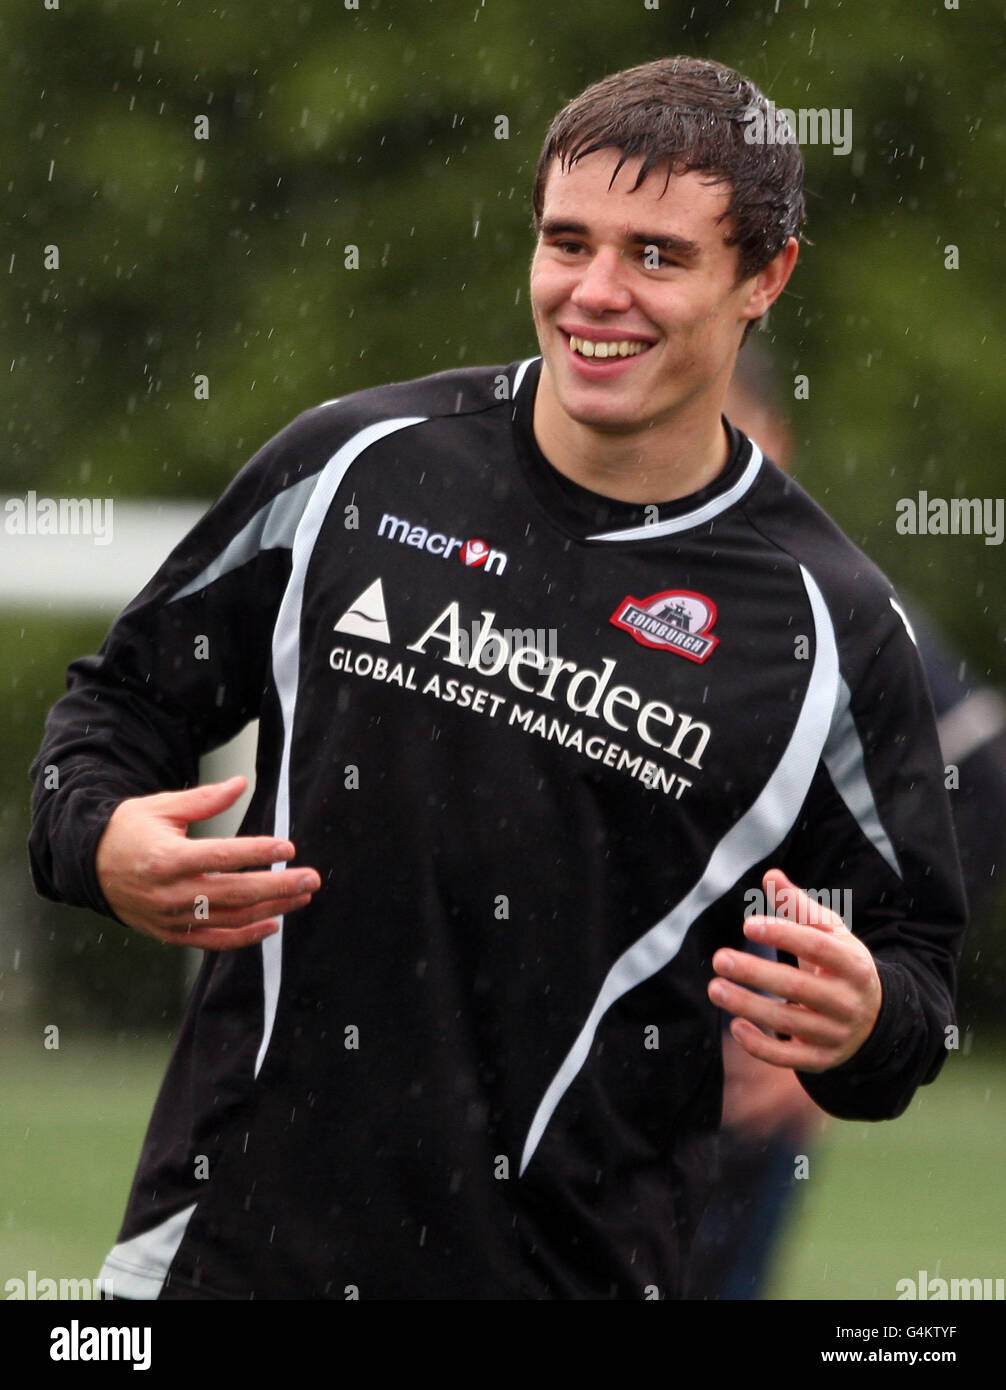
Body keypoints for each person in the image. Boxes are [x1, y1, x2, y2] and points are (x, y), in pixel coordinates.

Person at [28, 55, 967, 1301]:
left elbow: (914, 973)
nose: (596, 292)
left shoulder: (832, 630)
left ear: (764, 277)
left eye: (656, 255)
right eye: (566, 240)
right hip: (220, 1262)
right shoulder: (352, 469)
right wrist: (99, 842)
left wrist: (860, 1029)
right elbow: (115, 711)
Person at [686, 343, 1006, 1300]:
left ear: (777, 439)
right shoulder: (604, 592)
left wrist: (865, 1002)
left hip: (741, 1078)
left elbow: (981, 770)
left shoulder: (836, 611)